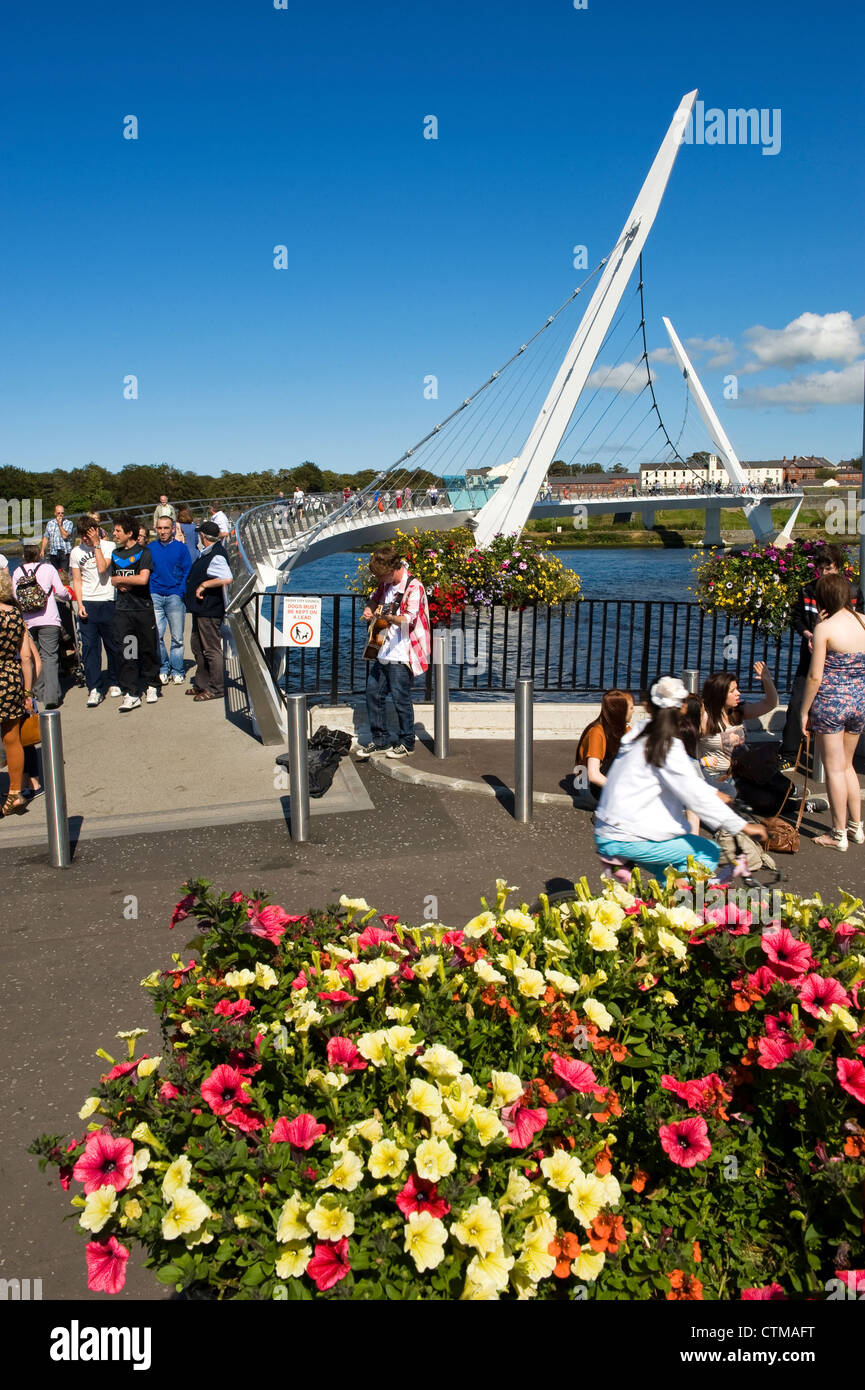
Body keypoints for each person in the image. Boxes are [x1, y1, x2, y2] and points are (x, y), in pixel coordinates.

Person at [594, 676, 766, 875]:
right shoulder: (667, 747)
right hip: (630, 835)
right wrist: (744, 827)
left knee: (670, 879)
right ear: (683, 709)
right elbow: (695, 795)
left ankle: (665, 900)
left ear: (647, 706)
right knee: (706, 852)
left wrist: (721, 797)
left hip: (609, 829)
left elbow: (689, 784)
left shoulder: (637, 736)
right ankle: (688, 902)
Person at [780, 545, 864, 763]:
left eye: (829, 569)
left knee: (835, 714)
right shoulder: (807, 590)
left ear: (838, 568)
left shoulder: (853, 592)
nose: (824, 574)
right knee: (798, 701)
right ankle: (789, 753)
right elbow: (797, 619)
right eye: (821, 569)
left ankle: (840, 761)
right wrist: (811, 635)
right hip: (810, 656)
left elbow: (857, 622)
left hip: (840, 664)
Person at [800, 573, 865, 851]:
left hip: (831, 704)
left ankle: (837, 833)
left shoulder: (825, 628)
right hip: (859, 701)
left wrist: (804, 712)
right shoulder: (863, 621)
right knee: (848, 765)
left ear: (823, 599)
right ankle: (856, 827)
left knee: (834, 769)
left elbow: (815, 676)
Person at [355, 545, 431, 760]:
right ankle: (380, 740)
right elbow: (373, 598)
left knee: (401, 699)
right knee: (373, 694)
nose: (382, 580)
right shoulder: (385, 583)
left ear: (393, 569)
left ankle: (407, 742)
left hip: (402, 652)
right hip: (382, 649)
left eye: (384, 576)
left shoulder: (414, 587)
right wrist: (369, 609)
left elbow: (410, 619)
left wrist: (387, 617)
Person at [698, 664, 788, 814]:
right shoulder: (705, 718)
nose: (738, 693)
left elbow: (770, 704)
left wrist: (767, 680)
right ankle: (801, 806)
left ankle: (793, 798)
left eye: (737, 689)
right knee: (767, 801)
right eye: (732, 691)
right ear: (719, 693)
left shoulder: (737, 711)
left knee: (785, 788)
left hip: (746, 770)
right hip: (719, 776)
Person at [109, 514, 160, 712]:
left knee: (148, 648)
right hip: (123, 610)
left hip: (142, 609)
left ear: (129, 533)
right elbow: (112, 580)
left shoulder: (144, 553)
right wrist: (121, 581)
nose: (114, 534)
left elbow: (142, 580)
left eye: (118, 531)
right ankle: (131, 693)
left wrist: (123, 581)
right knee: (128, 651)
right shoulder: (115, 554)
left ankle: (152, 685)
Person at [69, 515, 121, 706]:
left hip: (107, 600)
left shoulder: (108, 547)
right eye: (82, 535)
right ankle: (94, 687)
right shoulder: (75, 552)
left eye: (88, 533)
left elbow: (102, 569)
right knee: (90, 648)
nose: (85, 539)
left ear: (96, 530)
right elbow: (77, 579)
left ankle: (115, 680)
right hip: (88, 603)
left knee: (113, 645)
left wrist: (97, 544)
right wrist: (79, 604)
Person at [12, 544, 69, 709]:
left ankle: (38, 692)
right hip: (48, 618)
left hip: (28, 622)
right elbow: (60, 591)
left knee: (31, 658)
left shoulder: (17, 572)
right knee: (50, 657)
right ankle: (51, 697)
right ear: (39, 555)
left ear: (23, 556)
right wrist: (68, 595)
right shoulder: (48, 569)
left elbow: (15, 597)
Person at [0, 568, 36, 818]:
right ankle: (15, 792)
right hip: (11, 678)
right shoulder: (14, 613)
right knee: (12, 737)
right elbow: (26, 656)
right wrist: (27, 691)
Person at [184, 521, 232, 701]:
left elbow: (227, 578)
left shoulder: (216, 555)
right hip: (201, 609)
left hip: (209, 609)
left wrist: (204, 584)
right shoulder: (209, 552)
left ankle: (216, 688)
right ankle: (201, 683)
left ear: (203, 536)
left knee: (211, 649)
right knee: (197, 645)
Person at [149, 515, 193, 685]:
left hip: (175, 595)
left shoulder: (181, 549)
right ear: (155, 529)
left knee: (177, 638)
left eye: (166, 528)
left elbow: (187, 571)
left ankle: (177, 669)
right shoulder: (150, 548)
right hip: (156, 595)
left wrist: (180, 591)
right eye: (160, 528)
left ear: (173, 528)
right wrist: (151, 590)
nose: (163, 532)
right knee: (157, 636)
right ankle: (163, 667)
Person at [573, 689, 633, 801]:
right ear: (620, 710)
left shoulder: (626, 729)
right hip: (588, 787)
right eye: (631, 708)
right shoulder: (597, 732)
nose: (633, 711)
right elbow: (593, 775)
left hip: (606, 781)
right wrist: (623, 790)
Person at [40, 504, 74, 570]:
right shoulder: (50, 523)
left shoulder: (69, 523)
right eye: (58, 513)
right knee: (54, 573)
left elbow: (65, 536)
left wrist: (60, 525)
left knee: (64, 574)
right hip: (53, 552)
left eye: (62, 513)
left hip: (65, 552)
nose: (60, 515)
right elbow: (46, 537)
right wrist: (42, 550)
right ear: (55, 513)